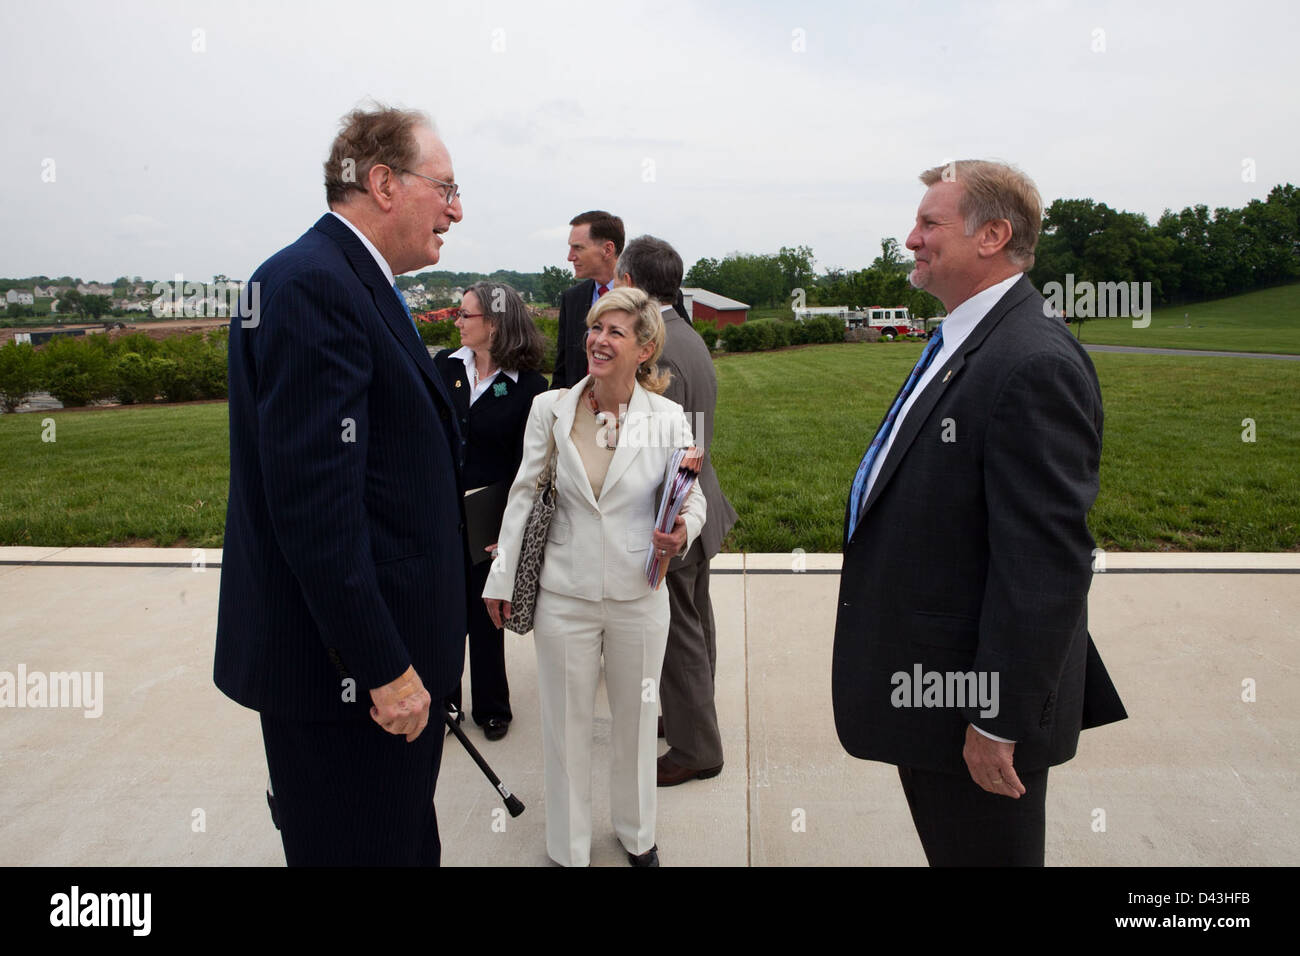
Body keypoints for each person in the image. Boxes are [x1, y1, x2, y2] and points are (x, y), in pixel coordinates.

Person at [831, 160, 1127, 866]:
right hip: (933, 687)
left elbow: (1045, 567)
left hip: (968, 702)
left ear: (992, 235)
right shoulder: (965, 338)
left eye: (929, 223)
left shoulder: (1032, 361)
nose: (910, 238)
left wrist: (996, 718)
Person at [214, 104, 467, 866]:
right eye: (446, 187)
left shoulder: (354, 280)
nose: (457, 209)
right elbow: (316, 513)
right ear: (383, 183)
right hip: (347, 689)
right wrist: (383, 669)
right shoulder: (313, 287)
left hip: (379, 681)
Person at [484, 286, 706, 867]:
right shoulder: (550, 408)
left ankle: (637, 836)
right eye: (594, 329)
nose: (598, 341)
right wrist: (500, 577)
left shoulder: (669, 416)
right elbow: (525, 493)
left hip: (641, 593)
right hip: (564, 595)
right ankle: (568, 848)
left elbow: (693, 495)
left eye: (615, 332)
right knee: (564, 727)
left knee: (635, 723)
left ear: (644, 347)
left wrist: (682, 531)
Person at [613, 235, 737, 786]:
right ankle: (693, 719)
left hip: (675, 510)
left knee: (678, 635)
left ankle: (696, 749)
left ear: (633, 282)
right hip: (698, 500)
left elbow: (658, 447)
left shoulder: (659, 348)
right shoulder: (686, 335)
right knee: (696, 624)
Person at [434, 282, 548, 741]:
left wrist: (510, 527)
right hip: (440, 509)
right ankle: (444, 703)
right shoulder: (444, 367)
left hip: (492, 515)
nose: (457, 322)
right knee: (442, 612)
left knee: (486, 611)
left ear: (496, 324)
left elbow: (532, 464)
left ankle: (492, 706)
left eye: (466, 315)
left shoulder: (531, 388)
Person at [551, 210, 624, 388]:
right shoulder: (571, 299)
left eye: (578, 248)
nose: (570, 257)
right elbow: (562, 370)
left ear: (608, 249)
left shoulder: (648, 295)